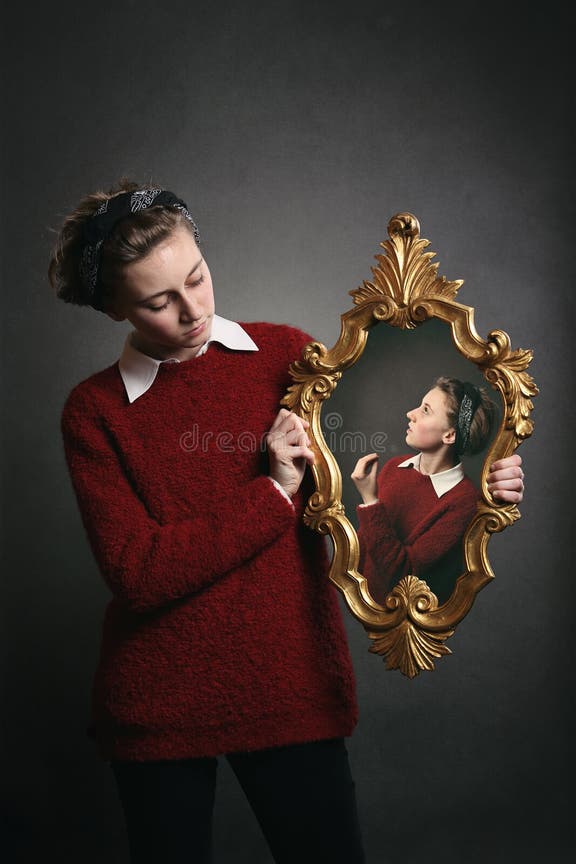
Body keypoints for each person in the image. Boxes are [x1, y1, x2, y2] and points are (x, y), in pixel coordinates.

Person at [49, 180, 525, 863]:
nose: (192, 310)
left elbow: (369, 497)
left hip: (291, 680)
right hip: (156, 704)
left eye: (198, 279)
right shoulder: (93, 411)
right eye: (158, 301)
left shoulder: (287, 357)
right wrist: (272, 492)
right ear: (113, 308)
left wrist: (481, 487)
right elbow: (137, 572)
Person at [351, 377, 505, 604]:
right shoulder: (395, 467)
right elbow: (365, 548)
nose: (410, 414)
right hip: (358, 605)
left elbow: (404, 575)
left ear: (450, 435)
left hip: (406, 620)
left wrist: (370, 500)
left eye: (425, 410)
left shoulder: (463, 500)